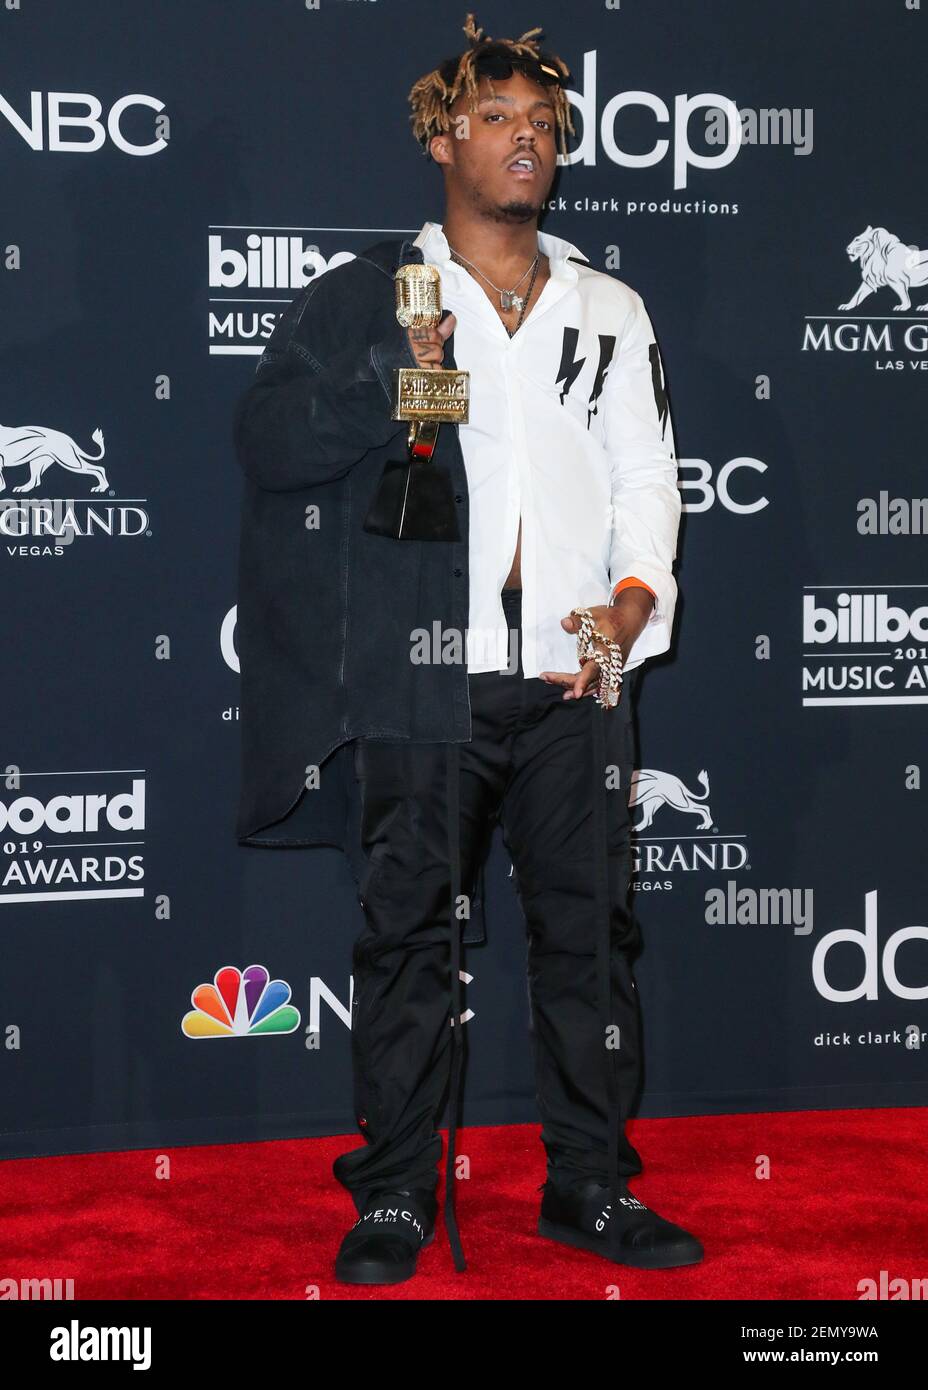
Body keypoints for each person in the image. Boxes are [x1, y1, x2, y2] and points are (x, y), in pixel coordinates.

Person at [232, 12, 701, 1287]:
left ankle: (588, 1190)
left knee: (589, 944)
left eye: (544, 124)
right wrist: (392, 378)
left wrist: (632, 604)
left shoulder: (609, 303)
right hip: (418, 676)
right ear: (443, 136)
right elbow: (270, 446)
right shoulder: (375, 294)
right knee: (404, 947)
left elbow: (645, 474)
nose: (527, 141)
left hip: (578, 679)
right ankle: (389, 1193)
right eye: (498, 118)